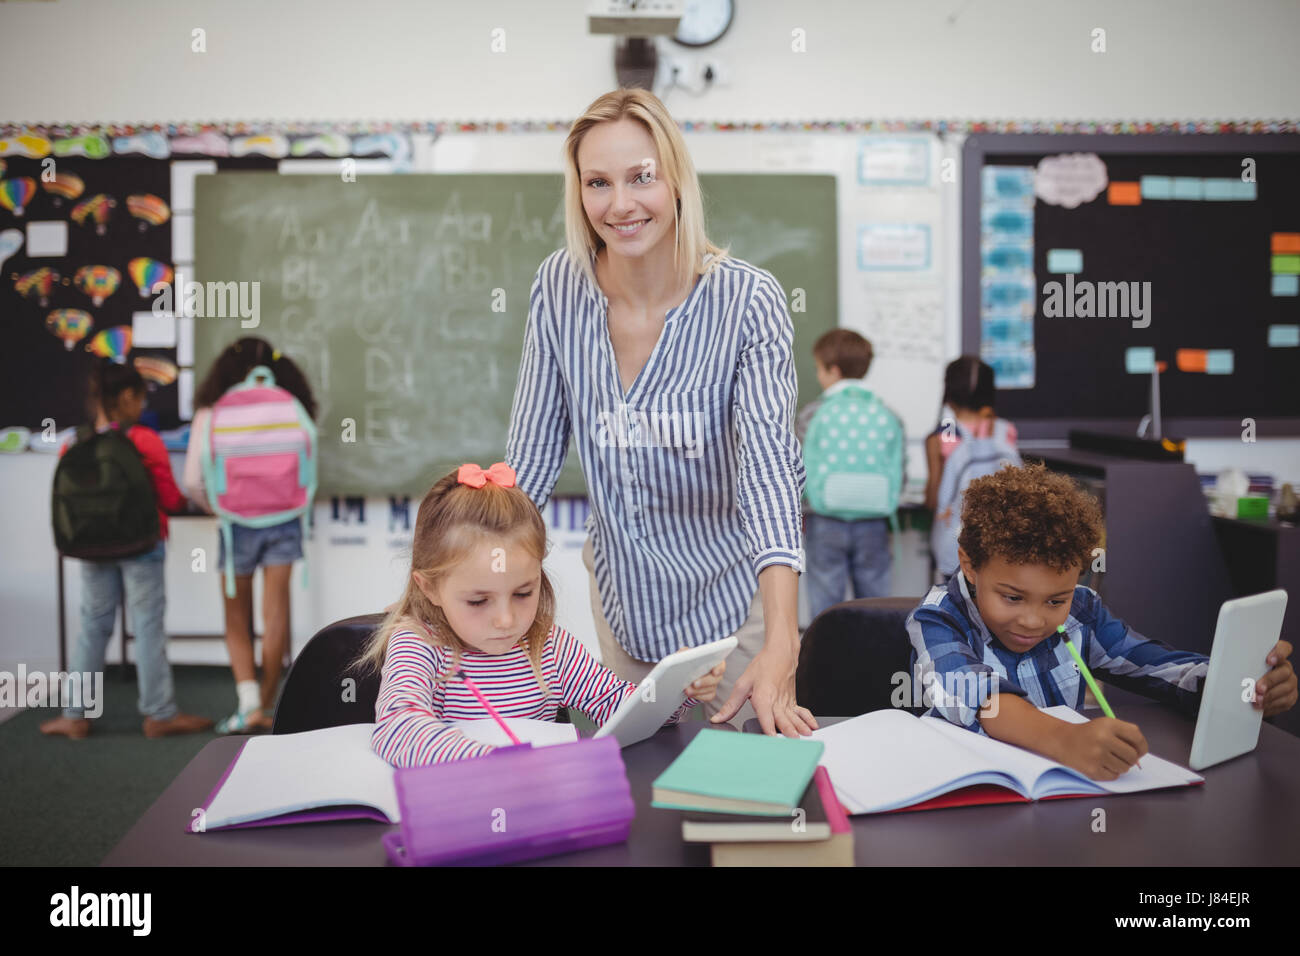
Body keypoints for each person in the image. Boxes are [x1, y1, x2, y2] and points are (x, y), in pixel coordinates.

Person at [506, 87, 814, 736]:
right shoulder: (558, 286)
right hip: (624, 604)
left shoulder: (746, 301)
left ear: (675, 179)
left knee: (734, 798)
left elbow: (768, 472)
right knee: (632, 789)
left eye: (641, 177)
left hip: (734, 608)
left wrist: (782, 640)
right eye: (598, 182)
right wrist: (487, 588)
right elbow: (531, 460)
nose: (620, 204)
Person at [906, 463, 1297, 780]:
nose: (1032, 619)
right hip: (966, 810)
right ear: (970, 565)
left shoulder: (1082, 611)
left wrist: (1242, 685)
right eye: (1012, 597)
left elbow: (1156, 665)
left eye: (1055, 599)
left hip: (1060, 806)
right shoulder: (939, 617)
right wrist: (1064, 739)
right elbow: (975, 696)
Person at [358, 463, 725, 766]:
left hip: (536, 812)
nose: (505, 620)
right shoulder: (419, 644)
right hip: (459, 816)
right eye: (478, 601)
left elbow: (619, 707)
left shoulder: (548, 645)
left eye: (522, 593)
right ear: (429, 588)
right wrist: (495, 762)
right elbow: (398, 727)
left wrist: (677, 689)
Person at [41, 362, 212, 739]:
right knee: (148, 626)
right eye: (140, 397)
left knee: (92, 626)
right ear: (127, 397)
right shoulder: (144, 440)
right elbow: (169, 498)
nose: (142, 404)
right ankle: (159, 714)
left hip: (92, 547)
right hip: (142, 547)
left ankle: (74, 715)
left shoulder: (74, 442)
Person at [184, 337, 318, 734]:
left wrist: (218, 506)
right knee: (275, 614)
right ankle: (270, 702)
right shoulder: (290, 401)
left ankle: (247, 704)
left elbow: (193, 479)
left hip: (234, 523)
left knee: (235, 617)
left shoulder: (212, 411)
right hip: (285, 517)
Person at [796, 329, 904, 619]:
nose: (819, 376)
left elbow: (797, 468)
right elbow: (899, 470)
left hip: (824, 521)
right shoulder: (888, 414)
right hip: (875, 522)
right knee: (876, 604)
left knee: (826, 605)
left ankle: (827, 663)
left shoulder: (812, 413)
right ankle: (877, 661)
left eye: (819, 369)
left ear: (833, 370)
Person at [924, 355, 1019, 580]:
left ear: (949, 397)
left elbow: (933, 500)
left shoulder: (945, 435)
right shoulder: (1004, 430)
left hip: (955, 547)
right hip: (1002, 545)